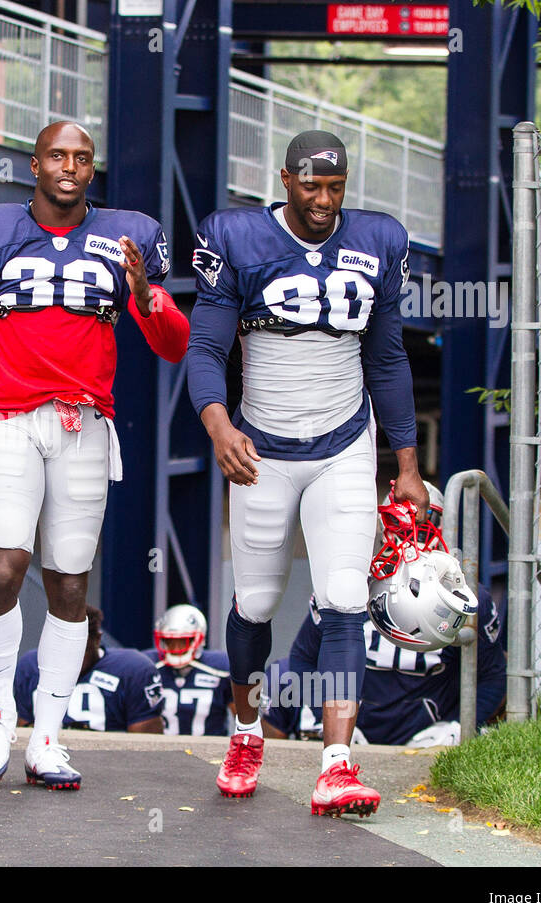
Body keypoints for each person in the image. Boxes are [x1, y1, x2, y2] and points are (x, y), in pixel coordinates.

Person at [0, 121, 189, 790]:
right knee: (4, 569)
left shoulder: (125, 238)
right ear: (34, 164)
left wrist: (145, 296)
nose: (70, 166)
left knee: (69, 584)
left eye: (82, 158)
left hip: (85, 425)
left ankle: (47, 736)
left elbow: (174, 345)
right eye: (58, 156)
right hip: (8, 420)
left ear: (93, 170)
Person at [186, 130, 425, 818]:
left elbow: (387, 358)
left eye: (336, 188)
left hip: (345, 443)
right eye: (312, 186)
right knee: (256, 605)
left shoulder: (379, 240)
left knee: (344, 596)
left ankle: (338, 764)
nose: (324, 200)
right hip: (261, 448)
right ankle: (246, 731)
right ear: (286, 179)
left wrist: (406, 464)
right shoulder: (236, 237)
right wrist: (219, 426)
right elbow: (206, 348)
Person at [264, 588, 505, 746]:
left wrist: (458, 724)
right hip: (350, 715)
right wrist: (327, 717)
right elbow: (304, 658)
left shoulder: (466, 599)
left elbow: (493, 676)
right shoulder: (344, 586)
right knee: (277, 678)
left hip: (425, 729)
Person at [14, 607, 164, 751]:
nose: (68, 660)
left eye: (78, 651)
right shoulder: (30, 667)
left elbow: (146, 748)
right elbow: (24, 737)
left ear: (97, 640)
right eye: (61, 651)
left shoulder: (133, 669)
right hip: (48, 756)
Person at [143, 604, 234, 736]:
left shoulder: (220, 667)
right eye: (169, 641)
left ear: (198, 639)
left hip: (209, 746)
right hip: (160, 746)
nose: (176, 648)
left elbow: (243, 718)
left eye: (183, 641)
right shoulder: (147, 665)